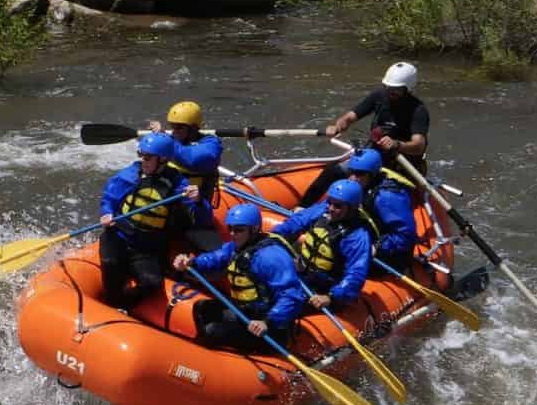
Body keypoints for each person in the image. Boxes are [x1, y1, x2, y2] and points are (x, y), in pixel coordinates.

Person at [171, 202, 311, 352]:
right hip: (246, 313)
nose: (232, 234)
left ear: (255, 229)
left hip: (271, 326)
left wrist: (267, 322)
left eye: (238, 230)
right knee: (202, 307)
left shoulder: (270, 257)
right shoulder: (237, 247)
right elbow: (216, 258)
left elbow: (292, 295)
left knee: (213, 331)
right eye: (230, 229)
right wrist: (192, 262)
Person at [97, 130, 209, 307]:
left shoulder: (178, 185)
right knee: (110, 263)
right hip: (118, 237)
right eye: (141, 155)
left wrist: (198, 200)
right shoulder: (130, 174)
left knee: (152, 283)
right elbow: (109, 199)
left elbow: (202, 217)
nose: (143, 160)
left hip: (146, 248)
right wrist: (106, 212)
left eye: (148, 157)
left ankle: (125, 305)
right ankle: (111, 302)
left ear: (163, 159)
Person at [269, 177, 374, 312]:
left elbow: (355, 274)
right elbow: (296, 221)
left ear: (352, 208)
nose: (330, 208)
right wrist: (274, 236)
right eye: (329, 202)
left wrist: (330, 297)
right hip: (301, 272)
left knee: (281, 306)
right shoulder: (323, 210)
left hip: (322, 289)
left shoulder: (357, 237)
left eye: (337, 206)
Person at [320, 60, 432, 176]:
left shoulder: (418, 110)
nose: (390, 92)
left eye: (396, 90)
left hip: (402, 162)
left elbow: (419, 145)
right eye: (388, 87)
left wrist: (397, 144)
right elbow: (349, 117)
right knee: (331, 173)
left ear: (408, 89)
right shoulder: (379, 96)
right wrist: (337, 126)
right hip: (375, 155)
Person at [344, 149, 420, 275]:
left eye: (359, 174)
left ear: (372, 175)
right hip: (365, 239)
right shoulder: (359, 186)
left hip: (387, 256)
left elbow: (406, 235)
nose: (352, 178)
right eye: (351, 172)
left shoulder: (387, 197)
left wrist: (377, 248)